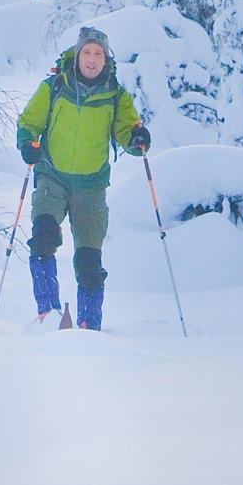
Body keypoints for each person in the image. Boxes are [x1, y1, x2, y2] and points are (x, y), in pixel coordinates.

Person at [15, 25, 150, 330]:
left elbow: (127, 130)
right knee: (44, 236)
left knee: (89, 261)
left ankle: (90, 325)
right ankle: (48, 312)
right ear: (77, 56)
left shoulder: (116, 95)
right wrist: (27, 143)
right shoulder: (54, 87)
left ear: (106, 60)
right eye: (86, 53)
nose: (91, 59)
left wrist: (137, 139)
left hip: (91, 186)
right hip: (52, 176)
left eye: (98, 54)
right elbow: (29, 121)